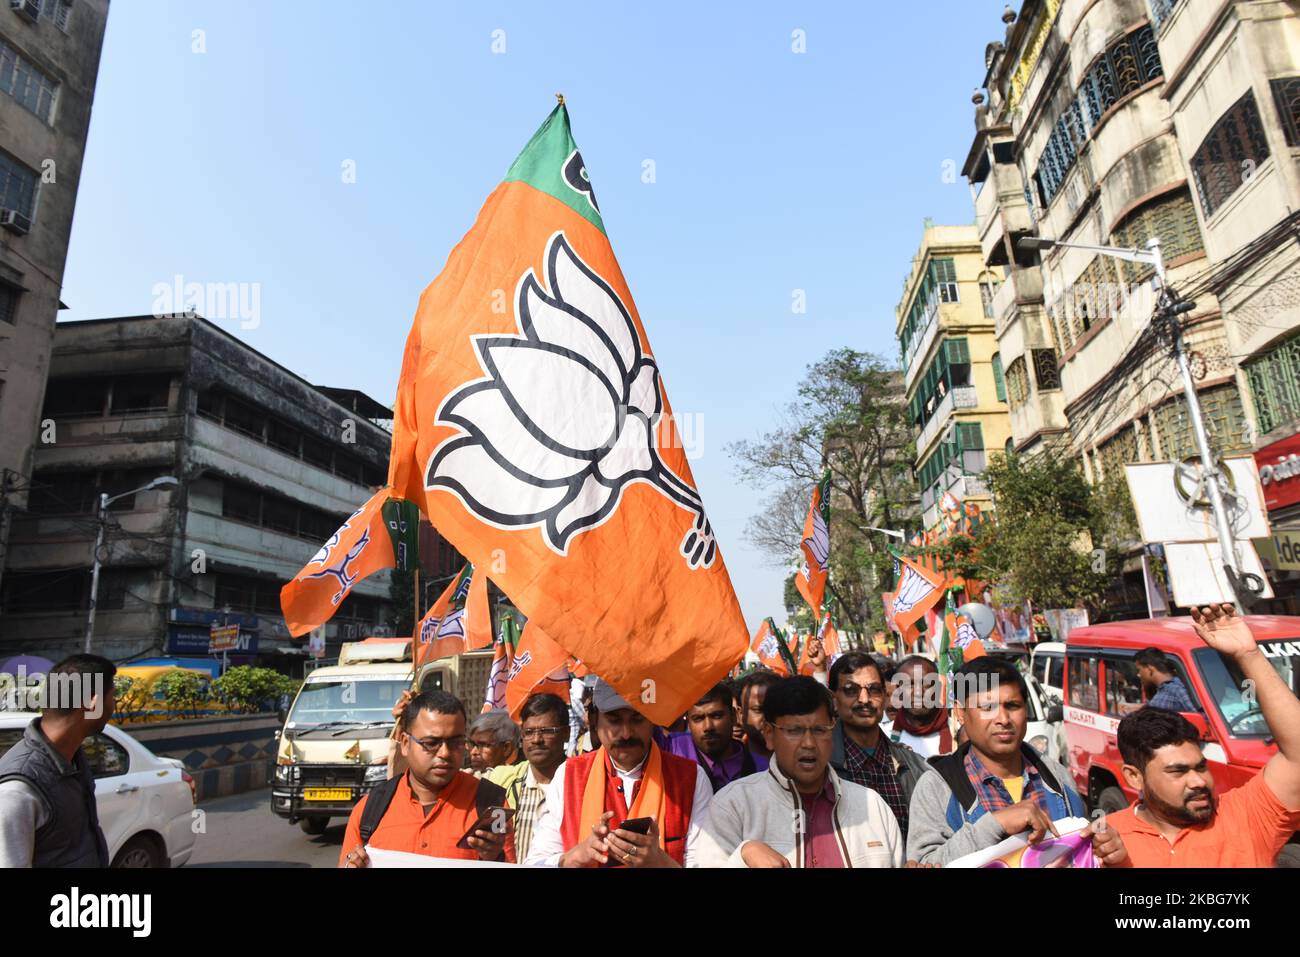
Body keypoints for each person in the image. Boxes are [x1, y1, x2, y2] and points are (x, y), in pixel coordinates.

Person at [1105, 604, 1300, 867]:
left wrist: (1248, 654)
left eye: (1201, 767)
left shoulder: (1245, 817)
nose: (1198, 781)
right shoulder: (1106, 842)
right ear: (1134, 777)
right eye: (1178, 771)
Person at [908, 656, 1128, 867]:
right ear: (960, 713)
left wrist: (1104, 847)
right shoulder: (938, 787)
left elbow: (1082, 846)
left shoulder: (1056, 778)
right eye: (987, 707)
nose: (1003, 720)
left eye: (1012, 706)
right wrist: (994, 825)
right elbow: (925, 863)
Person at [697, 676, 904, 868]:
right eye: (794, 731)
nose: (808, 744)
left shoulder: (871, 806)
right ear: (769, 735)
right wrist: (743, 856)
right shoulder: (733, 807)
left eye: (819, 730)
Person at [524, 678, 712, 867]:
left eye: (637, 719)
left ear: (652, 720)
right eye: (614, 720)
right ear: (595, 721)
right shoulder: (569, 776)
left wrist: (660, 862)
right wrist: (573, 857)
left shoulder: (691, 778)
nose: (626, 733)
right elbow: (535, 862)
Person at [339, 691, 512, 867]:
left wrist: (495, 858)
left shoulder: (491, 805)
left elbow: (509, 861)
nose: (444, 753)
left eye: (455, 742)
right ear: (405, 744)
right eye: (431, 743)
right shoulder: (369, 809)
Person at [0, 654, 116, 867]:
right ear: (93, 704)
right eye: (113, 696)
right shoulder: (17, 791)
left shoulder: (73, 759)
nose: (114, 705)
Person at [827, 652, 929, 838]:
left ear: (884, 695)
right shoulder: (821, 769)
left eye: (873, 689)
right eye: (851, 690)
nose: (864, 700)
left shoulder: (915, 766)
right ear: (834, 700)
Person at [487, 693, 569, 863]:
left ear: (566, 734)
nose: (537, 740)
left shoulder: (581, 784)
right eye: (529, 732)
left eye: (547, 731)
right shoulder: (503, 782)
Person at [662, 682, 768, 791]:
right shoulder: (672, 749)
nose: (708, 727)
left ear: (734, 716)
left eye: (716, 716)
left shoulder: (762, 770)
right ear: (688, 722)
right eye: (698, 718)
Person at [882, 656, 953, 757]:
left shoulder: (957, 731)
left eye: (926, 684)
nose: (918, 692)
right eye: (909, 685)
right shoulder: (884, 737)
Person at [1134, 648, 1201, 713]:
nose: (1138, 674)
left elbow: (1200, 717)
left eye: (1139, 670)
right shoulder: (1162, 689)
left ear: (1149, 668)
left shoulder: (1177, 689)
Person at [739, 671, 782, 760]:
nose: (766, 717)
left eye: (774, 709)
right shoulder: (730, 767)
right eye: (758, 710)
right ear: (740, 714)